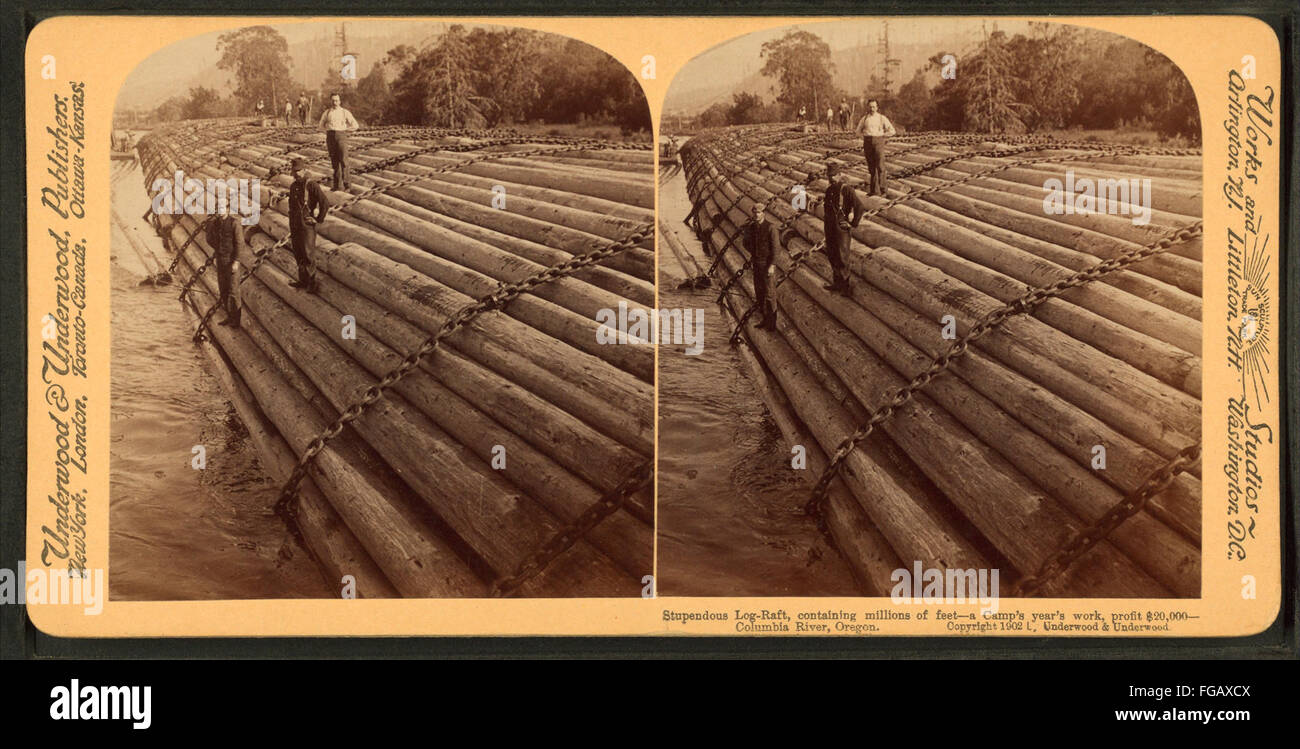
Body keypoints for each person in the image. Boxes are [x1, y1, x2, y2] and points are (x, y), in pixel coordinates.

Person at [821, 162, 866, 295]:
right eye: (829, 176)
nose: (831, 178)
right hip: (829, 226)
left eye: (833, 175)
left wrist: (853, 224)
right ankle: (837, 283)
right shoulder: (829, 190)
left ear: (840, 175)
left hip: (841, 227)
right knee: (832, 254)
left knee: (842, 256)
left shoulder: (846, 189)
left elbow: (860, 206)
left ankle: (846, 287)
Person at [287, 157, 329, 294]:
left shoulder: (311, 185)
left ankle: (312, 283)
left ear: (304, 170)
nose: (296, 173)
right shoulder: (293, 186)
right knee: (298, 252)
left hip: (306, 225)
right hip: (295, 224)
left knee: (308, 254)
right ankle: (302, 280)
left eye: (298, 171)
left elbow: (324, 203)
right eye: (294, 171)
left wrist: (318, 219)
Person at [204, 197, 245, 327]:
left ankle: (236, 321)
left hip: (231, 261)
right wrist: (218, 248)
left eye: (222, 208)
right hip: (221, 260)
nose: (220, 210)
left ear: (227, 209)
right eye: (218, 208)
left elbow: (240, 244)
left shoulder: (234, 223)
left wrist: (236, 261)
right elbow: (209, 238)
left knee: (234, 291)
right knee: (223, 290)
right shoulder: (215, 223)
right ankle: (229, 316)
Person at [742, 202, 780, 330]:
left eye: (758, 212)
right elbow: (745, 243)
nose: (756, 215)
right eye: (754, 213)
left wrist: (772, 265)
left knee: (770, 294)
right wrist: (753, 252)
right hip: (757, 263)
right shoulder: (752, 227)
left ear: (764, 213)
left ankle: (771, 324)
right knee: (760, 293)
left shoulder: (771, 228)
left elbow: (776, 249)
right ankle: (764, 319)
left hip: (767, 264)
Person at [854, 98, 897, 196]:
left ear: (877, 107)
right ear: (868, 107)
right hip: (867, 142)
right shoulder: (865, 118)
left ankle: (883, 190)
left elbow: (892, 131)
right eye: (870, 107)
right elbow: (857, 131)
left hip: (878, 141)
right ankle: (873, 190)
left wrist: (882, 136)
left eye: (874, 107)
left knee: (881, 166)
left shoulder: (882, 118)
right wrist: (864, 138)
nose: (872, 109)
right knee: (871, 168)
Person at [318, 92, 359, 190]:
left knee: (344, 161)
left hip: (341, 136)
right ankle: (337, 186)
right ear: (330, 101)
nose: (334, 102)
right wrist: (328, 131)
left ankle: (347, 185)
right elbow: (320, 126)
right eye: (333, 100)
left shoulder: (345, 112)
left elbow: (355, 125)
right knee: (334, 162)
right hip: (330, 137)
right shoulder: (327, 112)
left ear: (339, 101)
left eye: (336, 100)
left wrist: (345, 130)